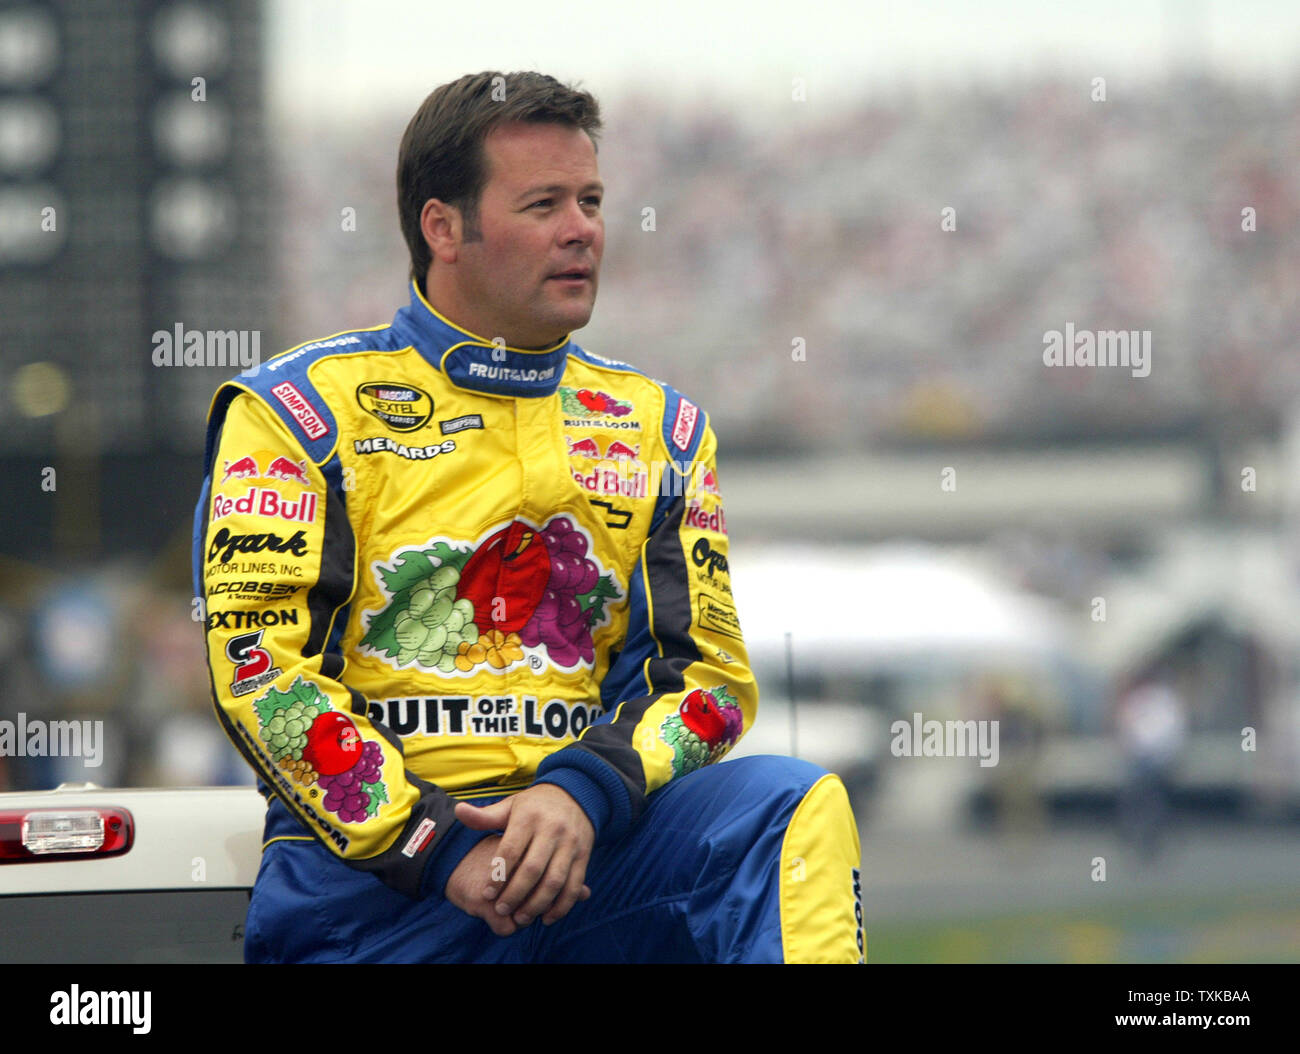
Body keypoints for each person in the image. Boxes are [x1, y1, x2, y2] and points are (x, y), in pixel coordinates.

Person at [193, 70, 863, 963]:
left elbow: (706, 683)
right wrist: (437, 846)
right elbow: (258, 673)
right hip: (374, 900)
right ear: (444, 228)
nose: (582, 228)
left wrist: (579, 795)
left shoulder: (661, 427)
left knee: (791, 807)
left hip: (586, 871)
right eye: (543, 203)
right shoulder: (296, 411)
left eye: (589, 200)